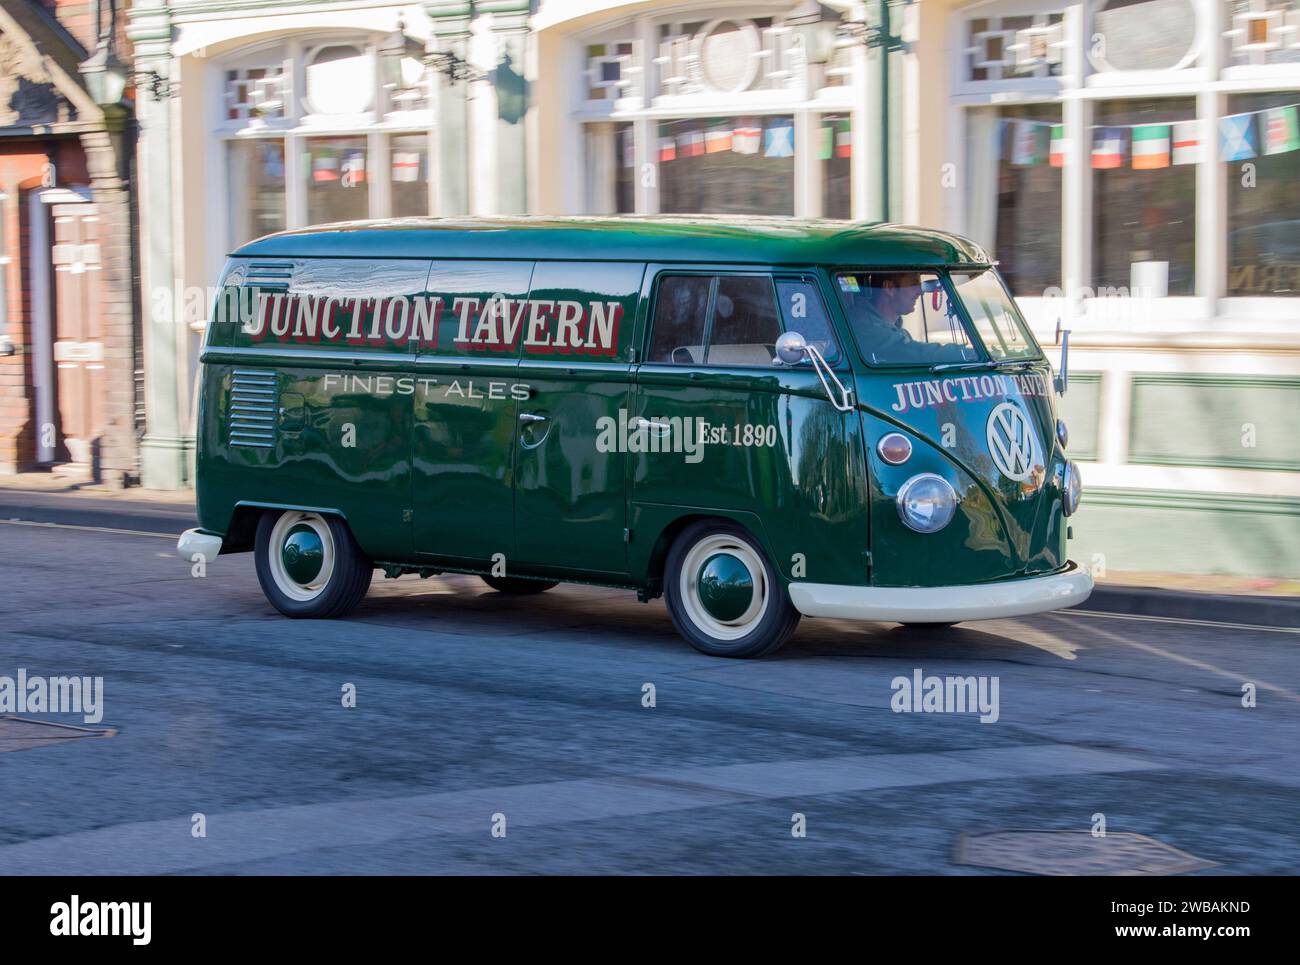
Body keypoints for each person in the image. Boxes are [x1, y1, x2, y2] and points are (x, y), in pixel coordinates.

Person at [849, 272, 972, 365]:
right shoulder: (866, 327)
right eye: (913, 284)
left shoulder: (890, 328)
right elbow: (916, 353)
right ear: (889, 288)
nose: (920, 292)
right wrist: (966, 354)